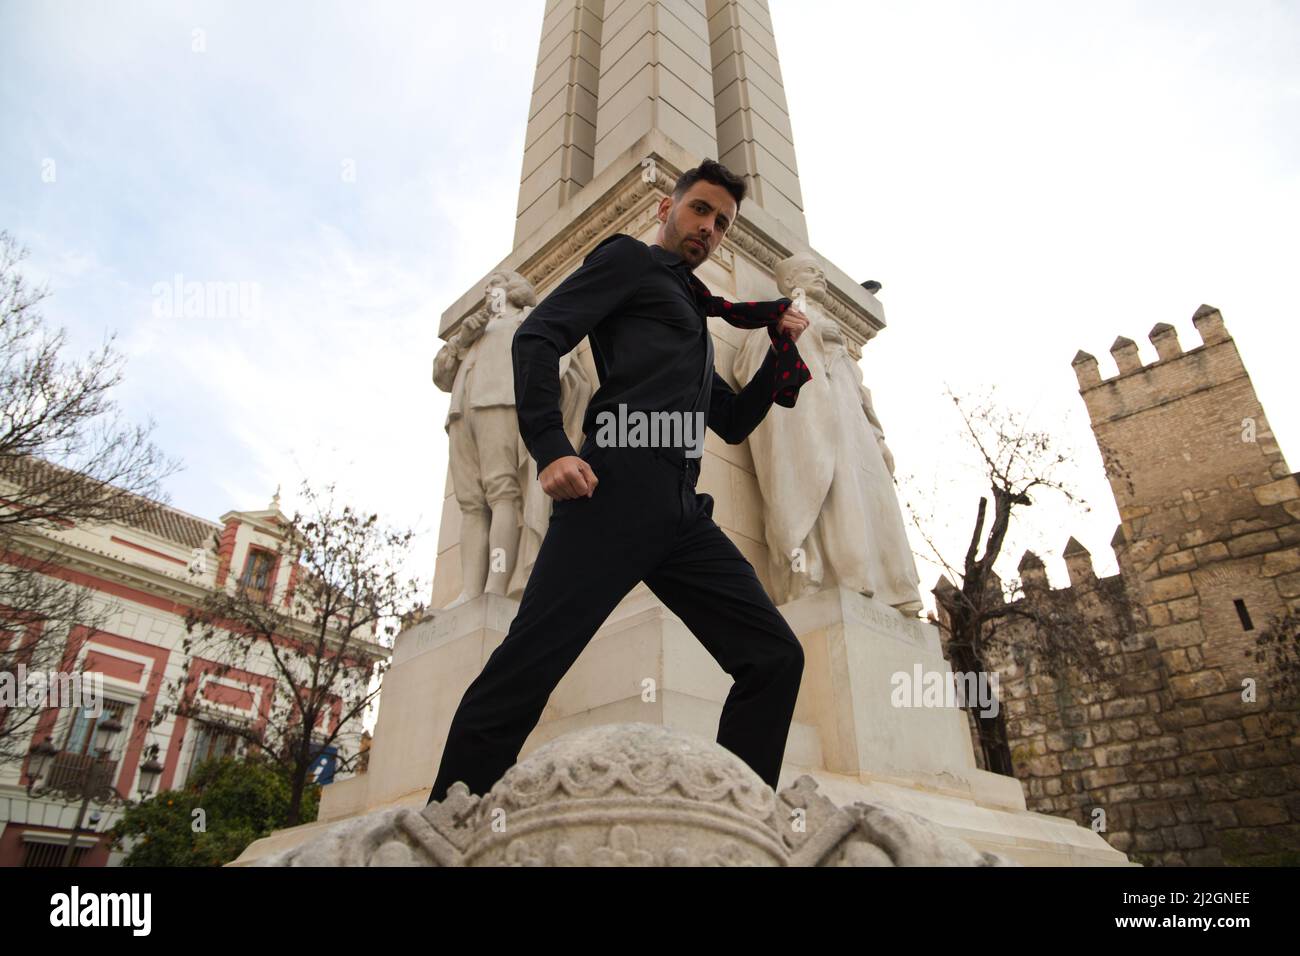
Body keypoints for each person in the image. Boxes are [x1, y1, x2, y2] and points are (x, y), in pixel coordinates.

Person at [426, 158, 810, 805]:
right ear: (667, 209)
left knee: (774, 658)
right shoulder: (629, 263)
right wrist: (549, 447)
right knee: (528, 665)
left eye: (722, 222)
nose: (709, 228)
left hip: (683, 515)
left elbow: (736, 421)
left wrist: (779, 350)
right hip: (612, 496)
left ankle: (737, 818)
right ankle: (442, 823)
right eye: (700, 209)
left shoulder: (691, 319)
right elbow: (538, 337)